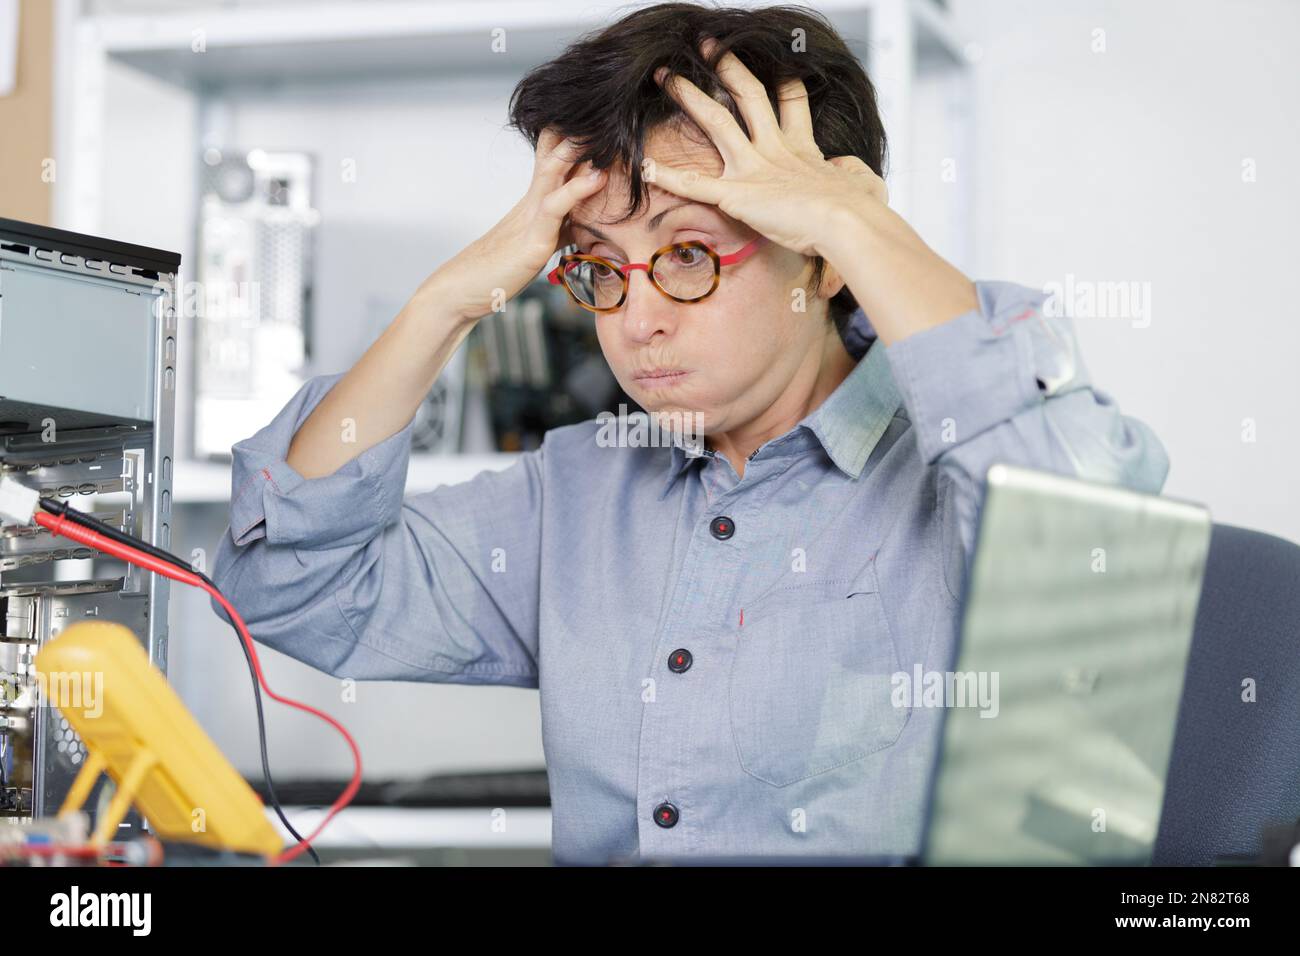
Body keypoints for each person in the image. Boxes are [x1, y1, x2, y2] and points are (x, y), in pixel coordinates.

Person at [210, 3, 1168, 864]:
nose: (638, 318)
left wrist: (861, 227)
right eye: (600, 270)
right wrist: (445, 305)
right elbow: (289, 586)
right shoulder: (579, 492)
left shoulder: (956, 470)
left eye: (689, 256)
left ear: (823, 260)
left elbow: (1098, 558)